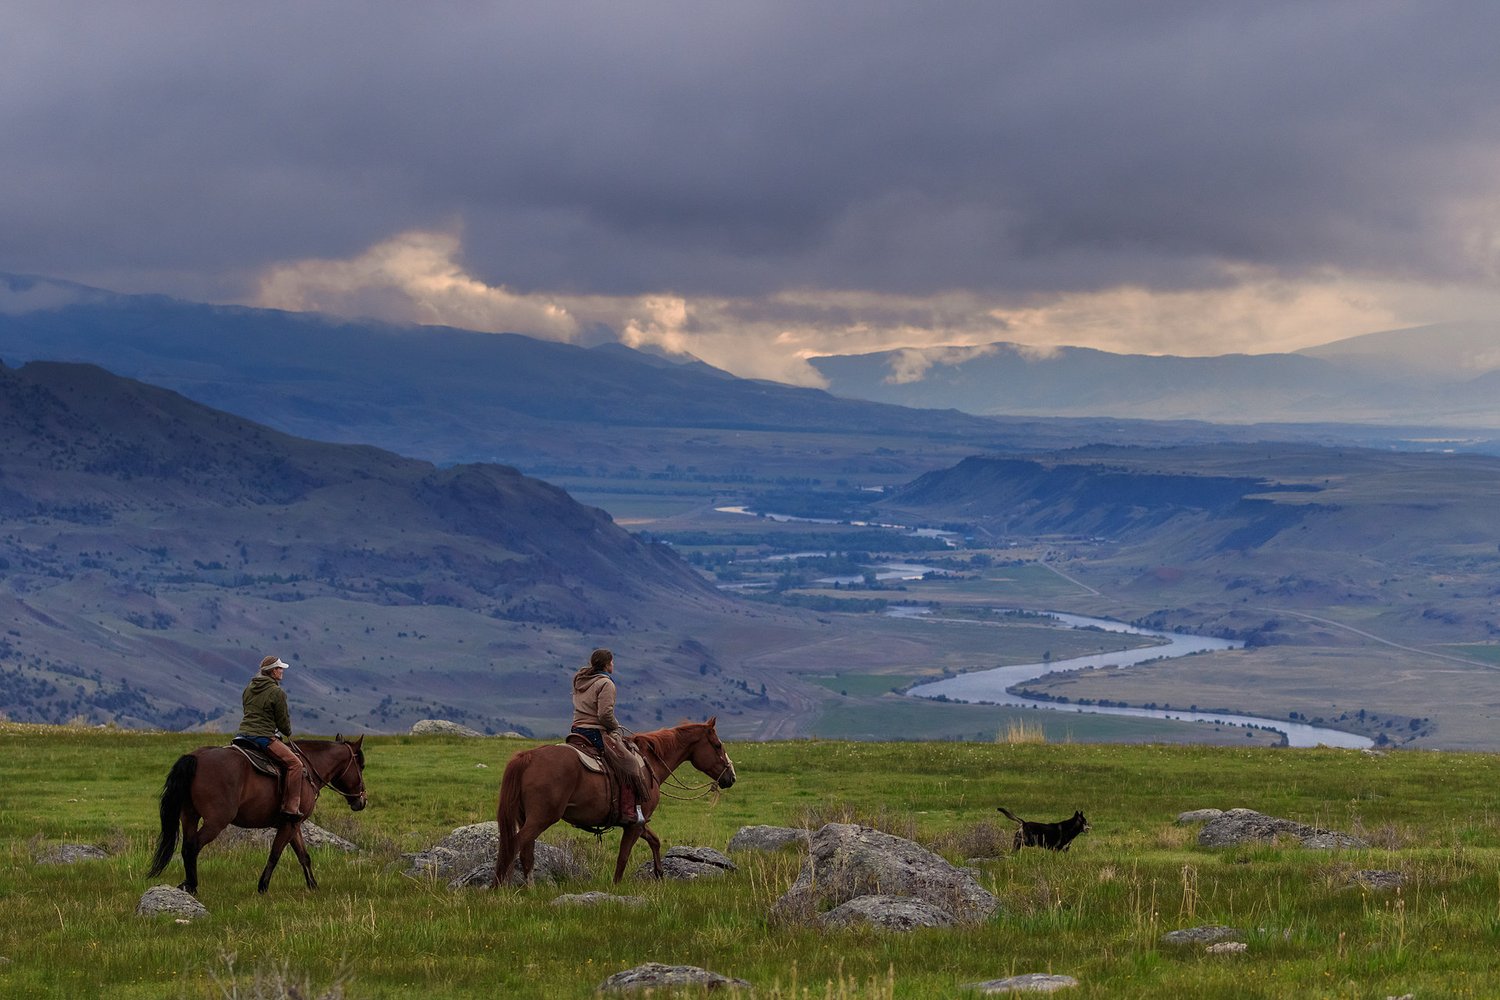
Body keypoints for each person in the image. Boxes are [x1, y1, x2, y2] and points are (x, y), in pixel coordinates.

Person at [571, 648, 647, 824]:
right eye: (612, 662)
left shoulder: (580, 680)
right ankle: (628, 811)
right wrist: (614, 726)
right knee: (630, 763)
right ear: (606, 664)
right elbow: (604, 714)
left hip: (577, 731)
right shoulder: (606, 684)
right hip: (595, 732)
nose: (613, 665)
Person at [236, 654, 304, 820]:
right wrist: (288, 732)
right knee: (296, 764)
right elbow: (283, 723)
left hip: (242, 736)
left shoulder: (248, 689)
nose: (282, 671)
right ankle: (291, 807)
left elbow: (247, 711)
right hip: (263, 737)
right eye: (279, 668)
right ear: (272, 672)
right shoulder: (277, 692)